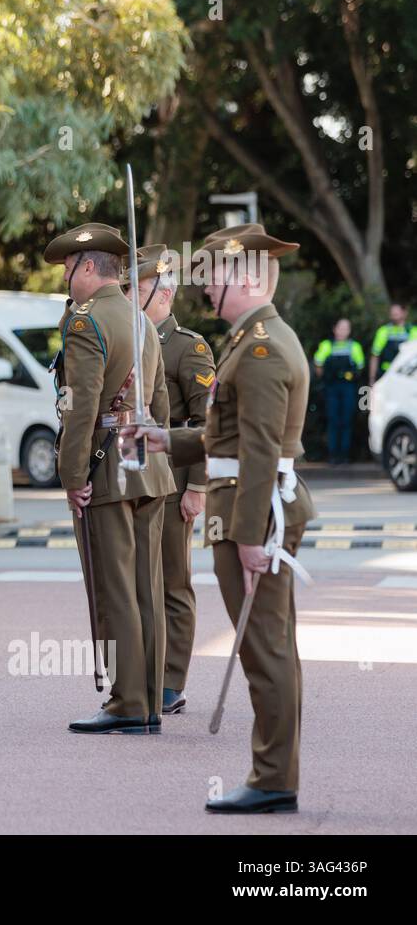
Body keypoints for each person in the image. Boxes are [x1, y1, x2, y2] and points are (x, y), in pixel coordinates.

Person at [124, 222, 316, 814]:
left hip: (253, 514)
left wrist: (254, 537)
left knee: (265, 649)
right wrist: (162, 439)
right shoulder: (252, 339)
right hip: (246, 507)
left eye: (216, 279)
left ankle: (273, 778)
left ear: (250, 278)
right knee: (267, 645)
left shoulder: (259, 348)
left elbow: (258, 452)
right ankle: (272, 773)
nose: (206, 291)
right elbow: (222, 437)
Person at [47, 222, 173, 735]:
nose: (65, 278)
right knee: (147, 587)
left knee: (116, 588)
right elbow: (159, 400)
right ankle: (149, 701)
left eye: (68, 269)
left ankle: (126, 702)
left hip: (107, 466)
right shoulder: (144, 322)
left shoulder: (85, 322)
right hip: (148, 461)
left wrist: (72, 474)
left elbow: (80, 408)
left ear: (90, 269)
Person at [123, 244, 213, 716]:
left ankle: (171, 680)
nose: (126, 296)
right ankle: (144, 672)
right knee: (142, 581)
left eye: (134, 289)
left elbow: (207, 424)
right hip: (137, 479)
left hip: (175, 480)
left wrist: (197, 486)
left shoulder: (188, 347)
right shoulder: (129, 336)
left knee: (173, 582)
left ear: (163, 292)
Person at [313, 318, 365, 465]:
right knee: (333, 420)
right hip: (331, 387)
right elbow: (318, 363)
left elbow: (360, 367)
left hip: (348, 387)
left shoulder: (354, 346)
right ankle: (333, 455)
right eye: (340, 327)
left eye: (346, 328)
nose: (343, 331)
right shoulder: (327, 345)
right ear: (334, 329)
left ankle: (344, 455)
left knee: (346, 421)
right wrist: (325, 377)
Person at [368, 303, 411, 385]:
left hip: (407, 376)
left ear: (404, 313)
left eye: (396, 312)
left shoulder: (413, 331)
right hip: (386, 374)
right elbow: (374, 356)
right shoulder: (383, 331)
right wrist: (372, 379)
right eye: (392, 312)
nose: (394, 314)